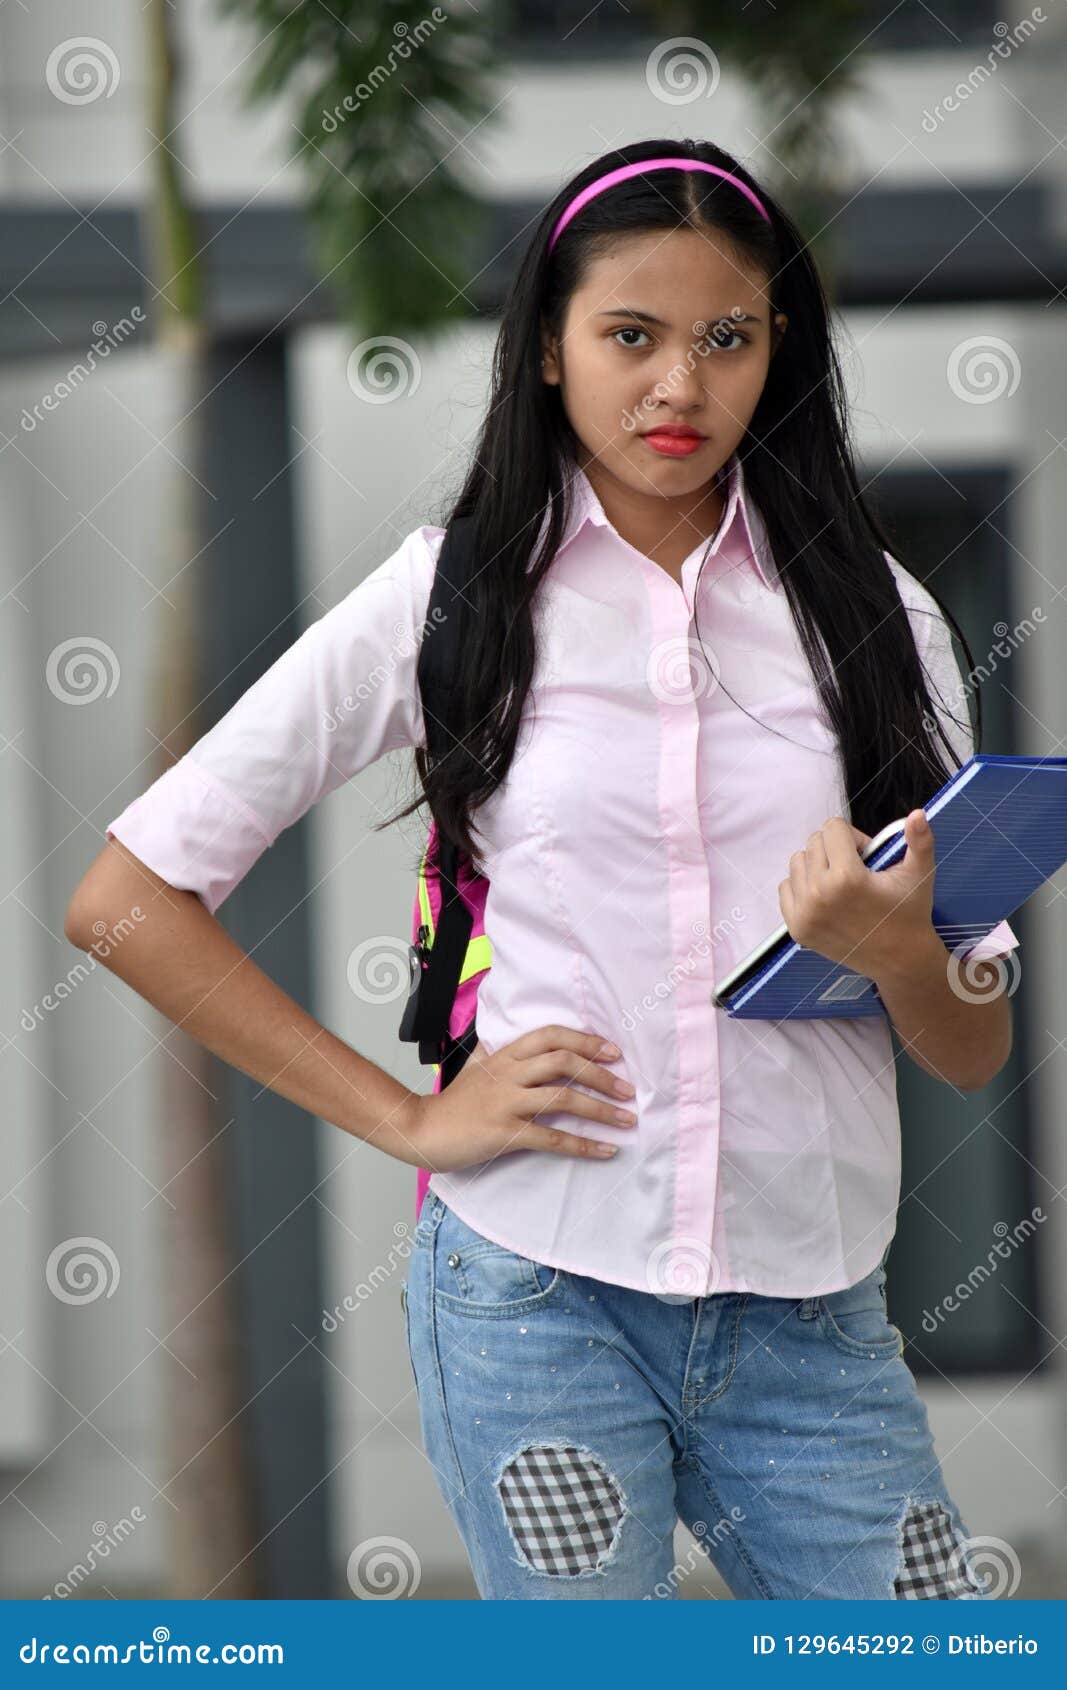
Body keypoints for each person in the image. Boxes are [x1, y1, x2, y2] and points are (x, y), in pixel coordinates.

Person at [66, 138, 1018, 1600]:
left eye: (727, 339)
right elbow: (125, 897)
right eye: (629, 335)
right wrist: (403, 1116)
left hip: (815, 1322)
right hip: (534, 1301)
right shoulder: (450, 597)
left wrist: (893, 946)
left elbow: (969, 1045)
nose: (679, 388)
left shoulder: (879, 622)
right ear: (551, 354)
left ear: (782, 354)